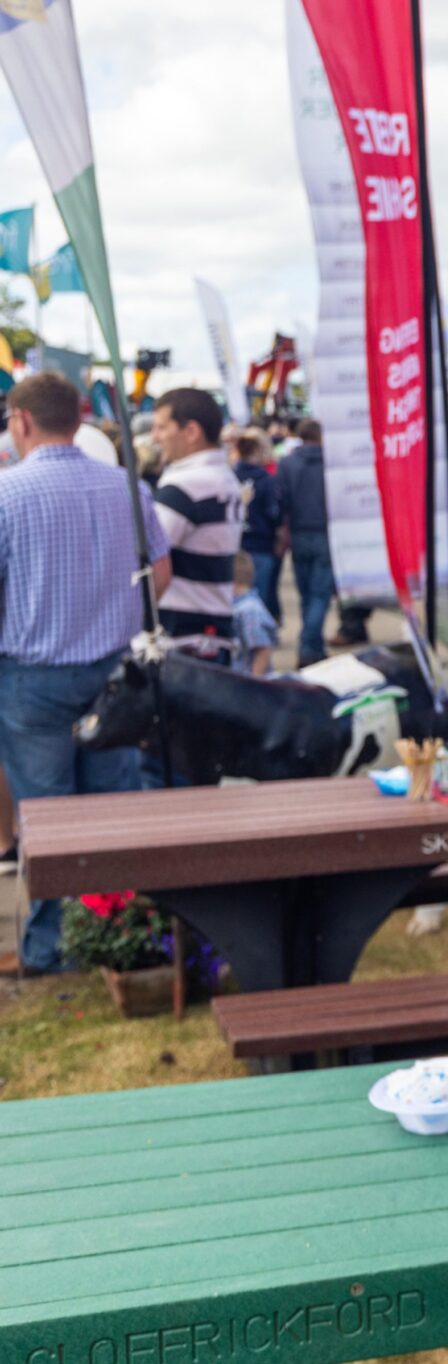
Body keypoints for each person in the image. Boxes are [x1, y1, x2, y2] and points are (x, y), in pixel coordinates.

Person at [0, 373, 169, 974]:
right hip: (111, 671)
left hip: (32, 675)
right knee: (106, 811)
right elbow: (160, 575)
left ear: (21, 420)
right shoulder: (126, 488)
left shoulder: (7, 492)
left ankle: (52, 948)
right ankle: (113, 929)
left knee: (46, 816)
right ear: (77, 418)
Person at [150, 388, 243, 640]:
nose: (154, 437)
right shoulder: (223, 478)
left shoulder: (186, 486)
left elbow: (148, 557)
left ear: (191, 432)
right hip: (212, 624)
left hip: (183, 631)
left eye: (161, 427)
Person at [274, 418, 335, 667]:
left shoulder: (287, 464)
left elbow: (281, 501)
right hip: (324, 533)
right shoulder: (329, 465)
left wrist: (282, 533)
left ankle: (313, 645)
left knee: (308, 594)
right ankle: (310, 645)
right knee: (320, 594)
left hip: (299, 533)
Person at [232, 433, 284, 621]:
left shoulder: (230, 477)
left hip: (237, 544)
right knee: (260, 594)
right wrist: (279, 538)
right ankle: (260, 633)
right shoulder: (266, 480)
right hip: (261, 544)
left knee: (239, 595)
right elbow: (274, 513)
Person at [230, 552, 279, 677]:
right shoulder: (241, 607)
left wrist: (254, 682)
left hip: (245, 685)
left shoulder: (249, 611)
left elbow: (262, 649)